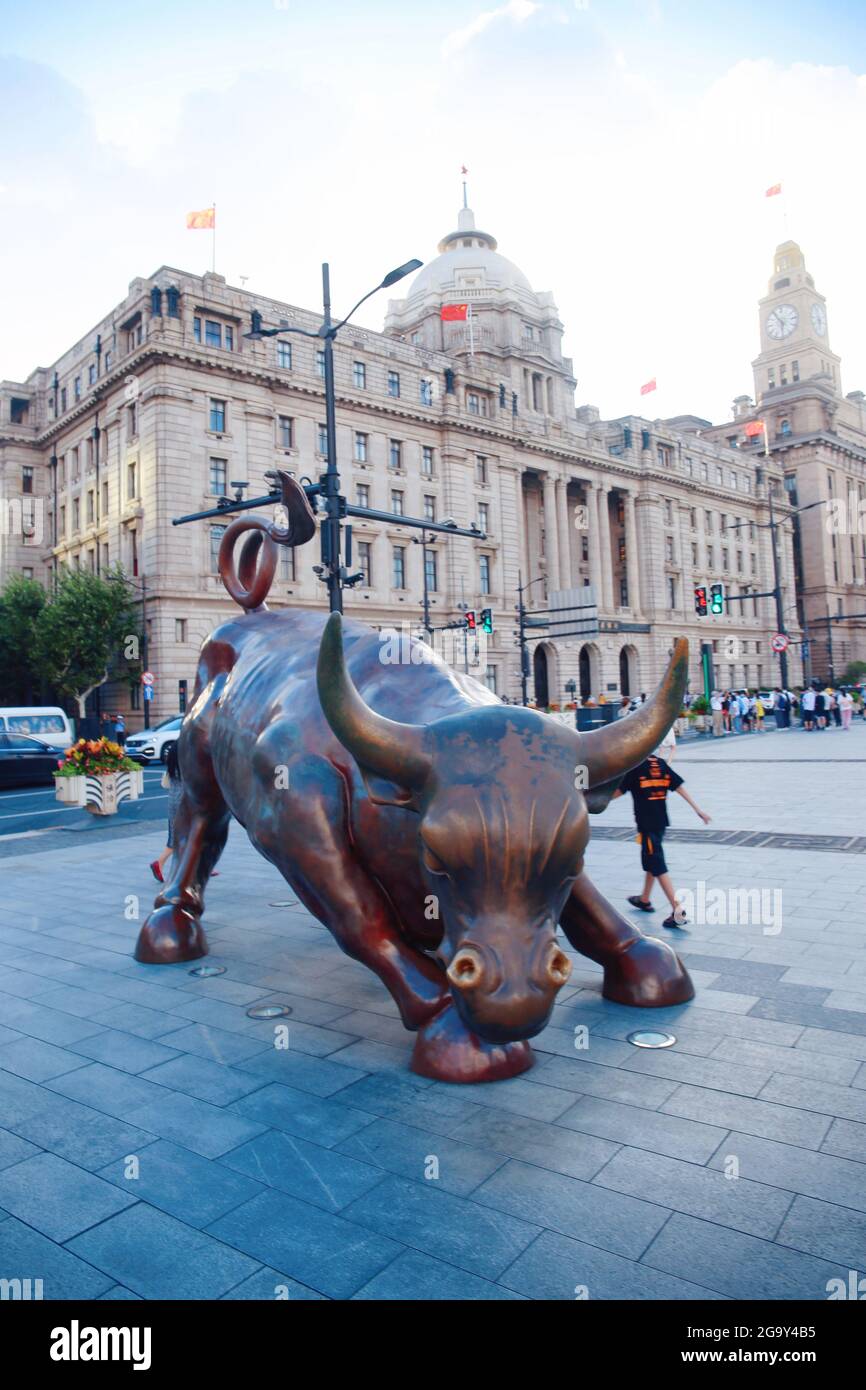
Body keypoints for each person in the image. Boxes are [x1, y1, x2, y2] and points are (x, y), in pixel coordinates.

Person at [614, 753, 711, 928]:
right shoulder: (659, 763)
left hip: (647, 825)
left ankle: (677, 910)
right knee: (652, 860)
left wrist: (586, 800)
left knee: (658, 865)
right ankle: (644, 900)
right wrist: (697, 809)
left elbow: (617, 792)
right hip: (660, 823)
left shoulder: (635, 766)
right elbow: (678, 786)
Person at [151, 739, 182, 883]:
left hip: (173, 801)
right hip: (185, 802)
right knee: (176, 841)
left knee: (182, 837)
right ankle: (159, 862)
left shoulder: (173, 763)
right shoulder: (186, 765)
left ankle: (201, 866)